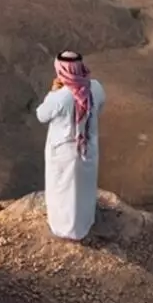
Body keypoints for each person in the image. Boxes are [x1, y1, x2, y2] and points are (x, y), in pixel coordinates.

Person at [35, 51, 106, 241]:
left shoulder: (61, 96)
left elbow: (41, 115)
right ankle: (83, 225)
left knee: (63, 191)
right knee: (84, 188)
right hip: (88, 148)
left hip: (64, 152)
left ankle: (64, 229)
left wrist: (53, 92)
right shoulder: (96, 88)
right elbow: (100, 107)